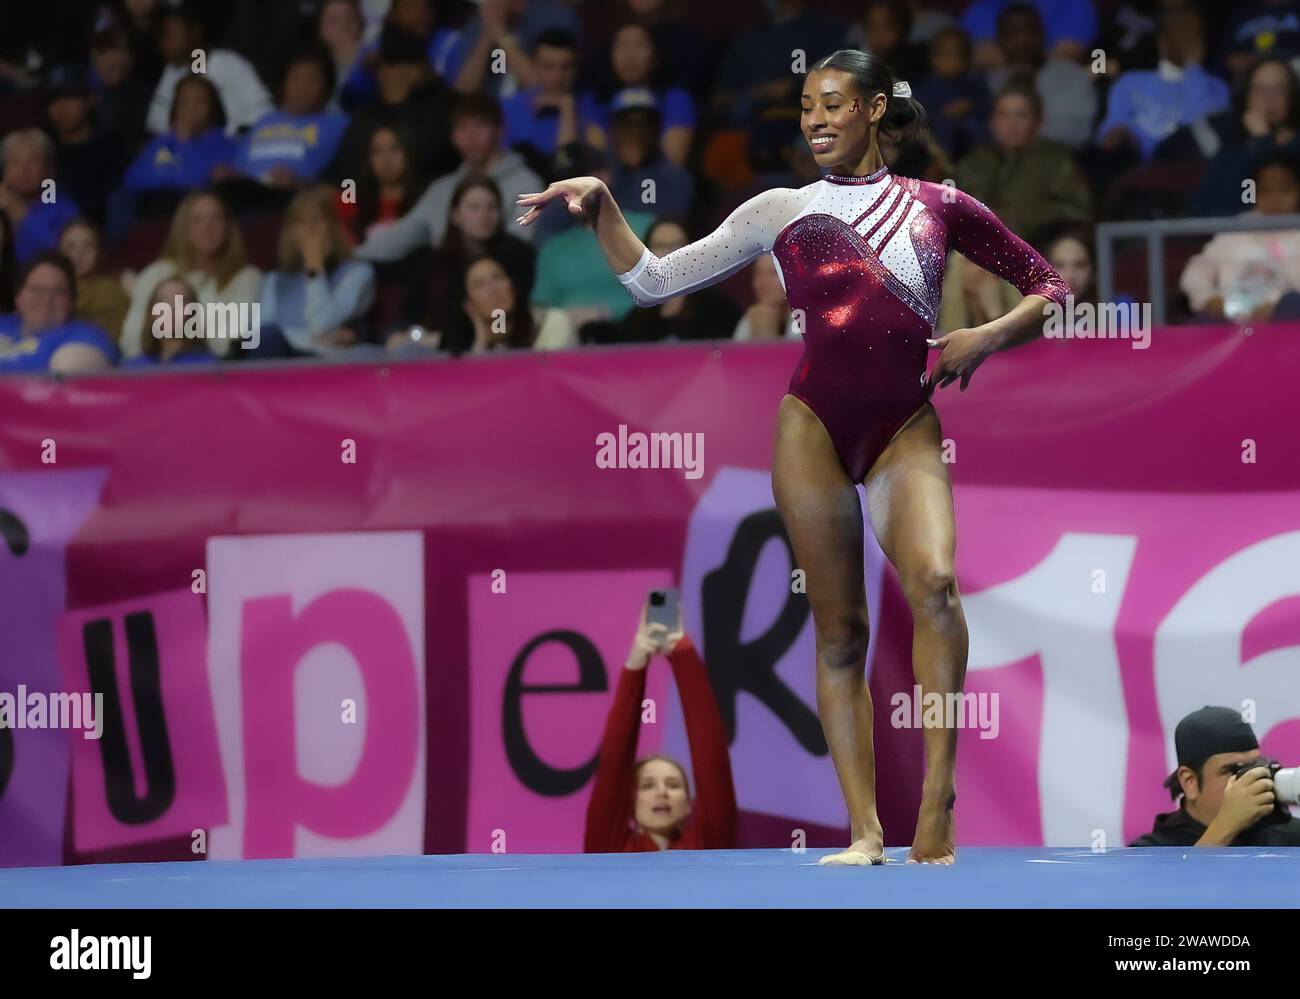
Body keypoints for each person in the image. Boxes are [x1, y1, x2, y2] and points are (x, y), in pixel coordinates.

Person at [518, 49, 1071, 864]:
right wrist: (602, 205)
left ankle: (937, 799)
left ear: (876, 109)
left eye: (833, 104)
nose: (814, 119)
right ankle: (864, 830)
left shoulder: (939, 204)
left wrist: (986, 336)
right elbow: (654, 281)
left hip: (903, 425)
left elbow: (1050, 284)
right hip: (811, 427)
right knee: (840, 630)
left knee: (938, 587)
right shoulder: (781, 208)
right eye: (806, 106)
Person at [583, 600, 737, 852]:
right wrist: (636, 663)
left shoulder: (708, 847)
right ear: (630, 801)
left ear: (689, 804)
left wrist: (683, 652)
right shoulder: (610, 850)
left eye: (674, 785)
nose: (662, 792)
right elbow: (614, 763)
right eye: (647, 785)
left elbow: (712, 763)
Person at [355, 94, 543, 261]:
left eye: (479, 126)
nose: (470, 137)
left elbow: (519, 249)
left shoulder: (526, 184)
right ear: (453, 137)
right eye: (462, 128)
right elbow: (400, 237)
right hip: (448, 285)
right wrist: (350, 256)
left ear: (500, 131)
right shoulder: (442, 188)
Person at [1130, 706, 1300, 847]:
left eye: (1255, 766)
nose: (1250, 779)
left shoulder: (1288, 837)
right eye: (1233, 770)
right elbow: (1174, 885)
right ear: (1190, 782)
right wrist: (1225, 829)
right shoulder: (1150, 852)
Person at [120, 190, 262, 357]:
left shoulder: (247, 277)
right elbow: (131, 338)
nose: (207, 227)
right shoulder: (156, 273)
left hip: (213, 371)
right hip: (153, 369)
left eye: (217, 219)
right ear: (183, 227)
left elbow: (233, 340)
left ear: (228, 226)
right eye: (197, 220)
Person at [1094, 6, 1230, 161]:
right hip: (1144, 169)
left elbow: (1200, 128)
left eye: (1196, 33)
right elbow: (1111, 131)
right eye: (1182, 33)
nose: (1191, 40)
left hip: (1195, 166)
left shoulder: (1217, 87)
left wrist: (1193, 69)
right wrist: (1121, 135)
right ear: (1163, 42)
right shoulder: (1130, 83)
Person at [1179, 153, 1300, 323]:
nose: (1274, 199)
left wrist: (1274, 306)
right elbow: (1197, 270)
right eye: (1265, 190)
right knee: (1199, 323)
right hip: (1230, 318)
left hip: (1284, 321)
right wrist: (1208, 299)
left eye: (1284, 190)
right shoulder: (1238, 228)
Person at [257, 186, 376, 357]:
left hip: (326, 366)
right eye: (300, 222)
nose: (309, 230)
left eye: (317, 220)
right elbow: (261, 335)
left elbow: (322, 325)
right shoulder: (275, 279)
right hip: (279, 363)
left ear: (334, 227)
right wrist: (309, 338)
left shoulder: (358, 274)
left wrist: (314, 267)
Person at [415, 176, 535, 332]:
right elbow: (411, 321)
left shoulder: (519, 255)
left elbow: (513, 320)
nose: (484, 215)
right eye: (474, 207)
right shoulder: (434, 263)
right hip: (442, 347)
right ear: (455, 215)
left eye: (492, 207)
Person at [145, 4, 273, 136]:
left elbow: (264, 112)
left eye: (169, 35)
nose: (163, 43)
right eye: (161, 38)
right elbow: (155, 122)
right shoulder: (173, 71)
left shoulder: (230, 64)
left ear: (195, 32)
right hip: (186, 149)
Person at [232, 48, 350, 190]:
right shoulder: (263, 121)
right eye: (295, 77)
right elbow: (238, 167)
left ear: (328, 87)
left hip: (301, 199)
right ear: (284, 83)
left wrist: (300, 184)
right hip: (247, 195)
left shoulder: (341, 125)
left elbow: (347, 181)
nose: (302, 86)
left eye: (312, 79)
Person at [581, 22, 695, 166]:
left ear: (655, 57)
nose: (630, 56)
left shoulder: (676, 99)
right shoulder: (596, 102)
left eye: (640, 45)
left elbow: (672, 163)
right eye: (621, 45)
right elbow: (598, 165)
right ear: (611, 56)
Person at [123, 75, 238, 210]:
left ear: (213, 108)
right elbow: (132, 180)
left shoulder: (226, 146)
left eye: (200, 102)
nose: (191, 109)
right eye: (184, 103)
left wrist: (185, 143)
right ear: (176, 109)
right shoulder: (162, 142)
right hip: (154, 209)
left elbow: (196, 181)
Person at [616, 218, 739, 342]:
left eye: (677, 245)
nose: (669, 253)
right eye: (660, 246)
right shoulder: (635, 320)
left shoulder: (718, 310)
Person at [0, 253, 118, 374]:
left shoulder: (86, 336)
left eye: (58, 292)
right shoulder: (4, 323)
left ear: (72, 301)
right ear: (18, 297)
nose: (46, 300)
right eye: (37, 290)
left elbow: (70, 374)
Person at [436, 255, 575, 354]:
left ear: (512, 287)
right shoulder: (459, 344)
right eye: (479, 284)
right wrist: (481, 343)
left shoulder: (552, 323)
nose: (493, 288)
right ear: (469, 306)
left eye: (497, 277)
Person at [0, 129, 82, 265]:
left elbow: (67, 256)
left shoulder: (65, 210)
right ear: (4, 171)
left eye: (33, 161)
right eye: (15, 162)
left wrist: (24, 217)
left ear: (50, 171)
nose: (24, 169)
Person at [337, 124, 426, 245]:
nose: (386, 159)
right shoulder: (350, 201)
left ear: (408, 153)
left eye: (395, 148)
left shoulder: (427, 199)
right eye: (377, 151)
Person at [58, 219, 130, 343]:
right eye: (70, 247)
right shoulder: (48, 287)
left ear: (100, 253)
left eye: (89, 247)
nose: (78, 254)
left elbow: (110, 338)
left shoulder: (109, 290)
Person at [125, 276, 221, 367]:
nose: (171, 308)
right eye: (163, 301)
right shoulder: (133, 369)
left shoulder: (208, 367)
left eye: (180, 302)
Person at [733, 255, 799, 341]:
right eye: (758, 274)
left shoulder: (804, 315)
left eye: (773, 273)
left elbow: (799, 352)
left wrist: (765, 332)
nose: (762, 282)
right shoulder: (752, 317)